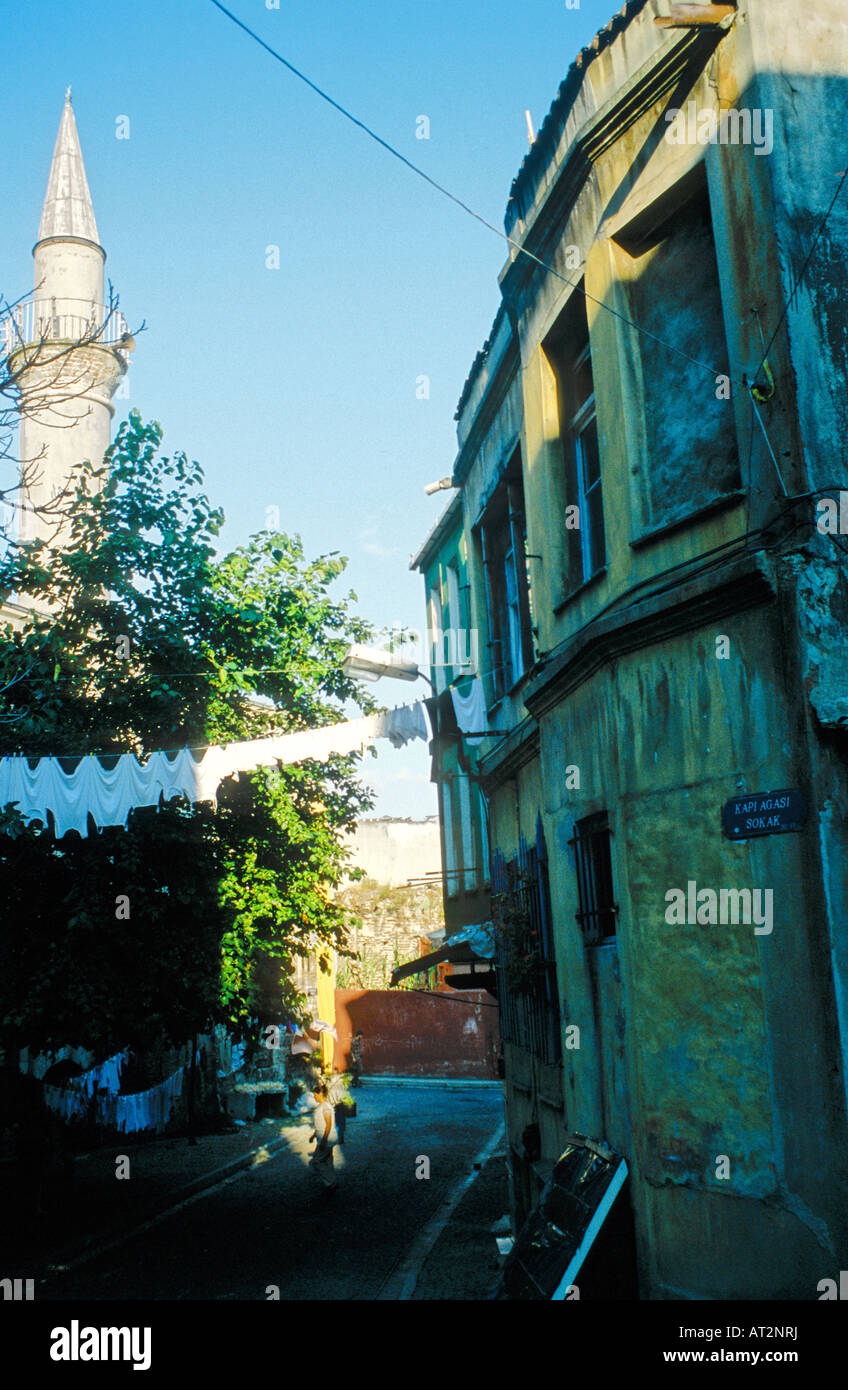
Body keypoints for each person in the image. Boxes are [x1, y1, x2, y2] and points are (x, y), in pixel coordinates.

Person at [307, 1081, 338, 1197]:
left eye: (315, 1094)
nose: (314, 1097)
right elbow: (320, 1124)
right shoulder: (322, 1106)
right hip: (324, 1138)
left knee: (316, 1162)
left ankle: (331, 1182)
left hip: (327, 1139)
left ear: (320, 1094)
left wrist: (324, 1140)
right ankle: (331, 1182)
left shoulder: (326, 1107)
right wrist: (313, 1135)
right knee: (327, 1161)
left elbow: (328, 1124)